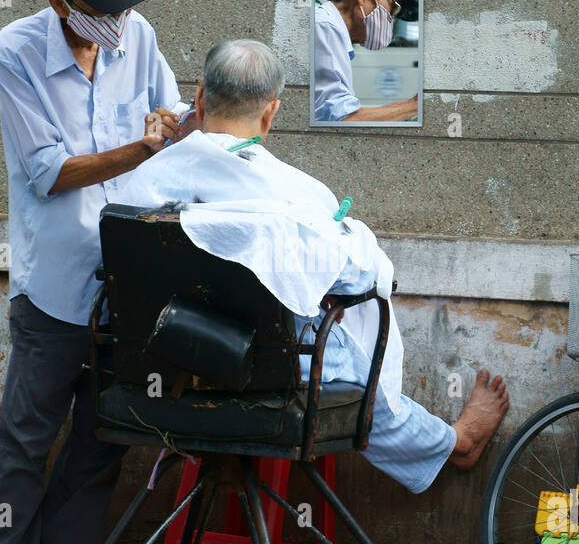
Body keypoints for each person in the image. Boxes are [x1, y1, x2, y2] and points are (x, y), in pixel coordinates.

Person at [120, 40, 509, 493]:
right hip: (266, 376)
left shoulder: (143, 179)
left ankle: (224, 460)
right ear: (270, 114)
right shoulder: (290, 195)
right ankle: (454, 443)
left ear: (200, 99)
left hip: (161, 370)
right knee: (353, 363)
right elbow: (361, 277)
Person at [0, 0, 197, 544]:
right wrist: (142, 146)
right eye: (101, 8)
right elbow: (50, 172)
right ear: (58, 3)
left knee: (103, 438)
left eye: (123, 5)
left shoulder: (139, 36)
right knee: (28, 438)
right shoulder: (17, 51)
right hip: (52, 283)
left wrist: (184, 124)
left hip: (125, 282)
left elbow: (176, 124)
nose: (117, 21)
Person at [312, 0, 419, 123]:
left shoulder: (332, 33)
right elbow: (341, 120)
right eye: (393, 8)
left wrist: (410, 106)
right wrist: (414, 106)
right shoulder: (325, 28)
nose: (391, 20)